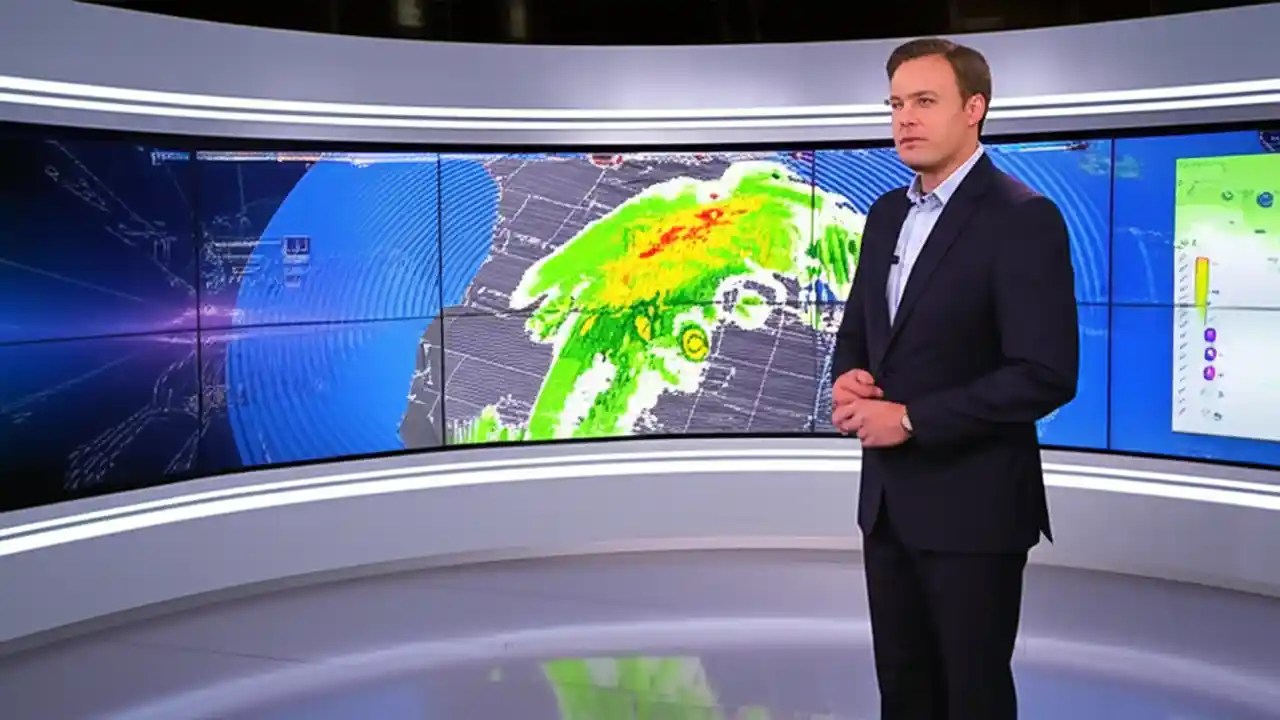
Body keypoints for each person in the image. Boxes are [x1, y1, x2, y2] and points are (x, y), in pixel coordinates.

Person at [829, 37, 1079, 720]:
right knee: (903, 691)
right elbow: (859, 331)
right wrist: (848, 378)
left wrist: (910, 419)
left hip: (975, 513)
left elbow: (1046, 373)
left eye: (924, 101)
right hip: (887, 508)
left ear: (975, 109)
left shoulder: (1021, 218)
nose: (905, 118)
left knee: (971, 698)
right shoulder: (886, 214)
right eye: (895, 104)